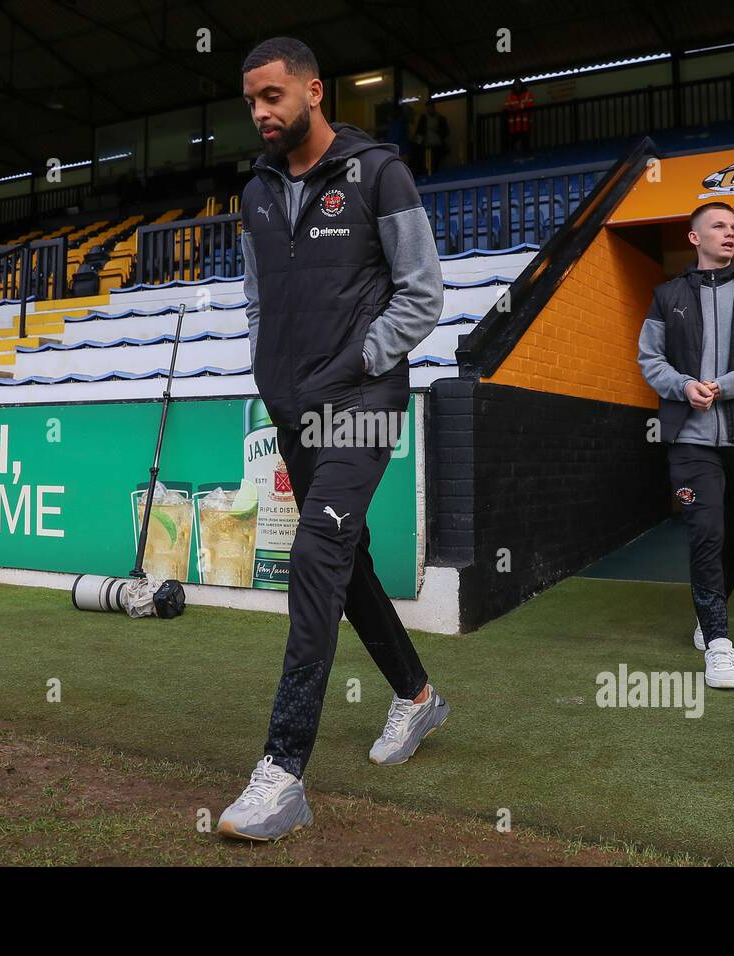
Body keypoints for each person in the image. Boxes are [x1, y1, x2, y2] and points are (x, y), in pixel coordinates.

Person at [220, 37, 448, 842]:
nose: (261, 112)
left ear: (315, 91)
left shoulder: (378, 174)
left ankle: (282, 774)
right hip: (291, 403)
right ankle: (418, 698)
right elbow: (253, 298)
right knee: (345, 565)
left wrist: (360, 361)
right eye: (252, 101)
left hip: (361, 400)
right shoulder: (252, 192)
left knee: (315, 552)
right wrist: (268, 366)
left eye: (274, 96)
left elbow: (423, 295)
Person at [636, 201, 734, 690]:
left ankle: (710, 614)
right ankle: (720, 641)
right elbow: (649, 359)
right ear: (695, 238)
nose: (730, 234)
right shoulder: (667, 297)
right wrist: (684, 386)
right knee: (705, 529)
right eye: (719, 227)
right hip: (689, 436)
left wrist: (723, 385)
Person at [413, 99, 450, 176]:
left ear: (433, 108)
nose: (429, 110)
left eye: (430, 108)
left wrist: (438, 131)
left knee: (436, 163)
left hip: (437, 144)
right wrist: (417, 143)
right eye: (428, 108)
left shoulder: (440, 118)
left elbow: (446, 131)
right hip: (426, 144)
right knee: (427, 164)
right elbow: (419, 132)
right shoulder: (423, 118)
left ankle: (435, 178)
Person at [504, 79, 535, 153]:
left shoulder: (528, 94)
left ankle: (526, 154)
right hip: (514, 125)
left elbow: (531, 105)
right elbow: (506, 108)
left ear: (521, 85)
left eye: (518, 84)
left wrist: (518, 108)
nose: (517, 86)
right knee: (513, 143)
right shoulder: (509, 97)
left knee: (526, 142)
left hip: (525, 124)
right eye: (515, 85)